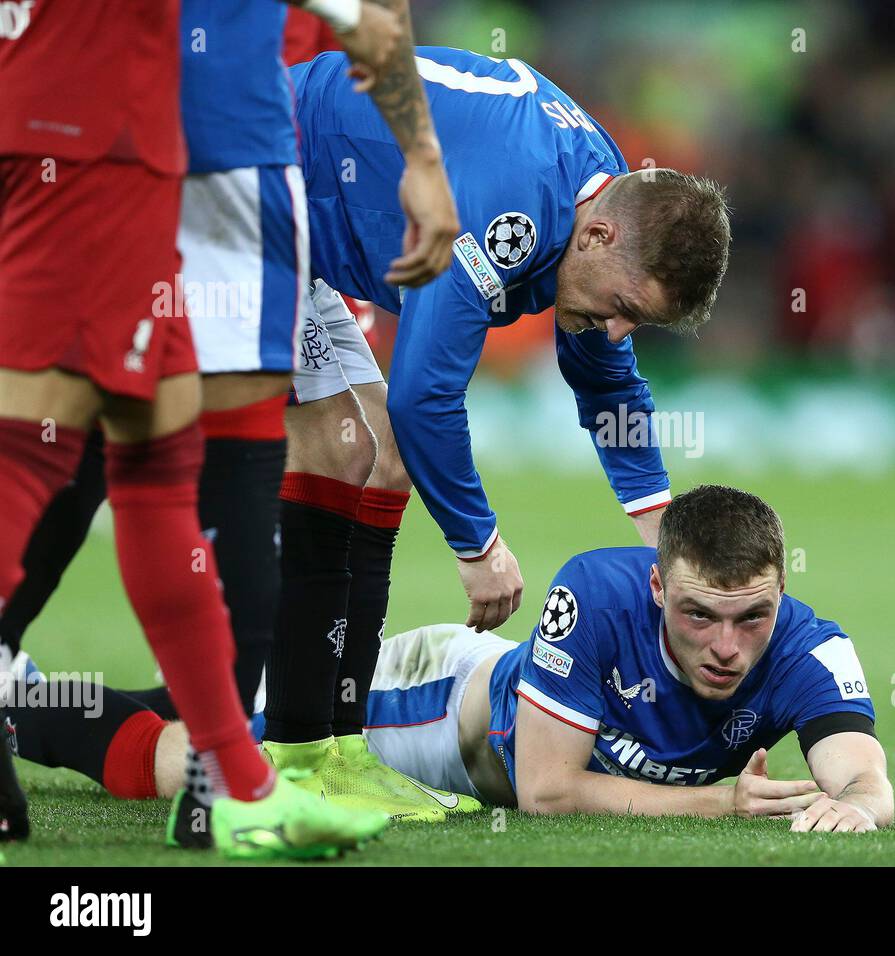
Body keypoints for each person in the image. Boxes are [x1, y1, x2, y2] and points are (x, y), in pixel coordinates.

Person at [254, 46, 731, 800]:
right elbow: (423, 395)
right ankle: (294, 759)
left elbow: (607, 382)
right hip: (257, 180)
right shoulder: (510, 202)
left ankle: (340, 755)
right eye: (625, 310)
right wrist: (477, 544)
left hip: (308, 202)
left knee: (381, 457)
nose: (615, 331)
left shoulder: (597, 204)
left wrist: (666, 542)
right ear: (602, 237)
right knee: (343, 444)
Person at [0, 0, 392, 858]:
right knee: (39, 448)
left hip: (102, 126)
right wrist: (353, 17)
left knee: (152, 462)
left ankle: (234, 776)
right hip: (110, 136)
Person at [7, 486, 893, 832]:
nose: (729, 647)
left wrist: (856, 806)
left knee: (194, 709)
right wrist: (718, 804)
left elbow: (865, 780)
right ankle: (18, 708)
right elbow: (549, 791)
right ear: (660, 591)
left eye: (753, 618)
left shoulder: (808, 645)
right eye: (702, 616)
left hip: (475, 752)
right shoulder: (597, 590)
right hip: (424, 705)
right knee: (192, 758)